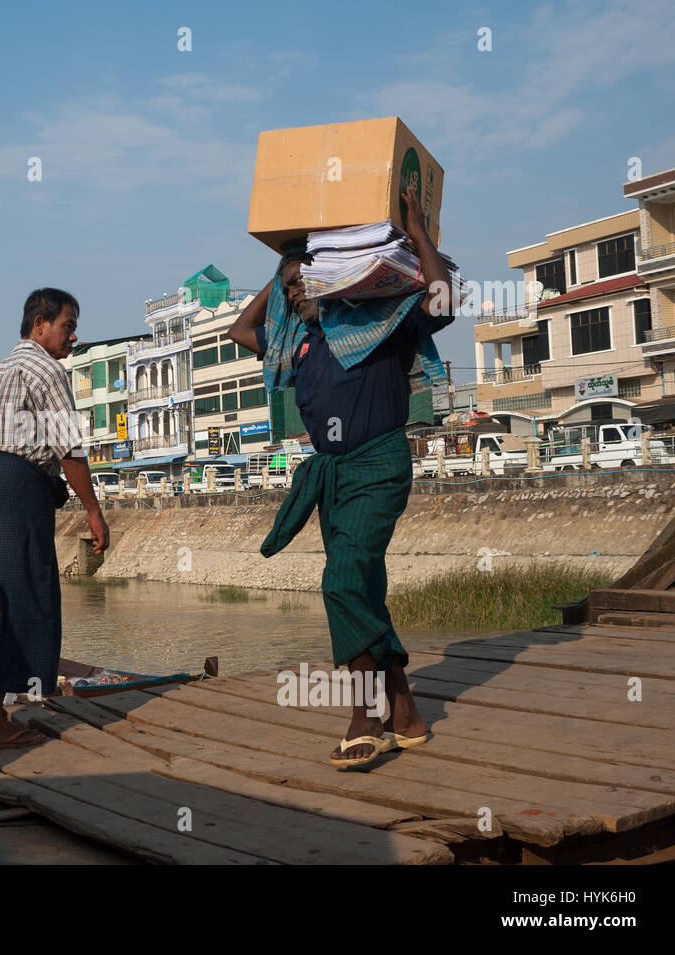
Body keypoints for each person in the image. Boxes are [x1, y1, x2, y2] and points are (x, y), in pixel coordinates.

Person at [227, 185, 448, 770]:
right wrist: (284, 268)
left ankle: (364, 716)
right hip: (331, 479)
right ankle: (405, 709)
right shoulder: (297, 347)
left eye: (306, 282)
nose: (298, 290)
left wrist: (416, 229)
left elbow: (443, 301)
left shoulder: (376, 327)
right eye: (292, 285)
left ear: (334, 281)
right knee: (363, 588)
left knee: (340, 583)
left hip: (377, 467)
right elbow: (239, 331)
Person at [0, 289, 109, 749]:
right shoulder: (47, 369)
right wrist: (94, 511)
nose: (73, 336)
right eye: (68, 325)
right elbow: (69, 449)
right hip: (18, 492)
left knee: (17, 597)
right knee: (30, 603)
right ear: (39, 324)